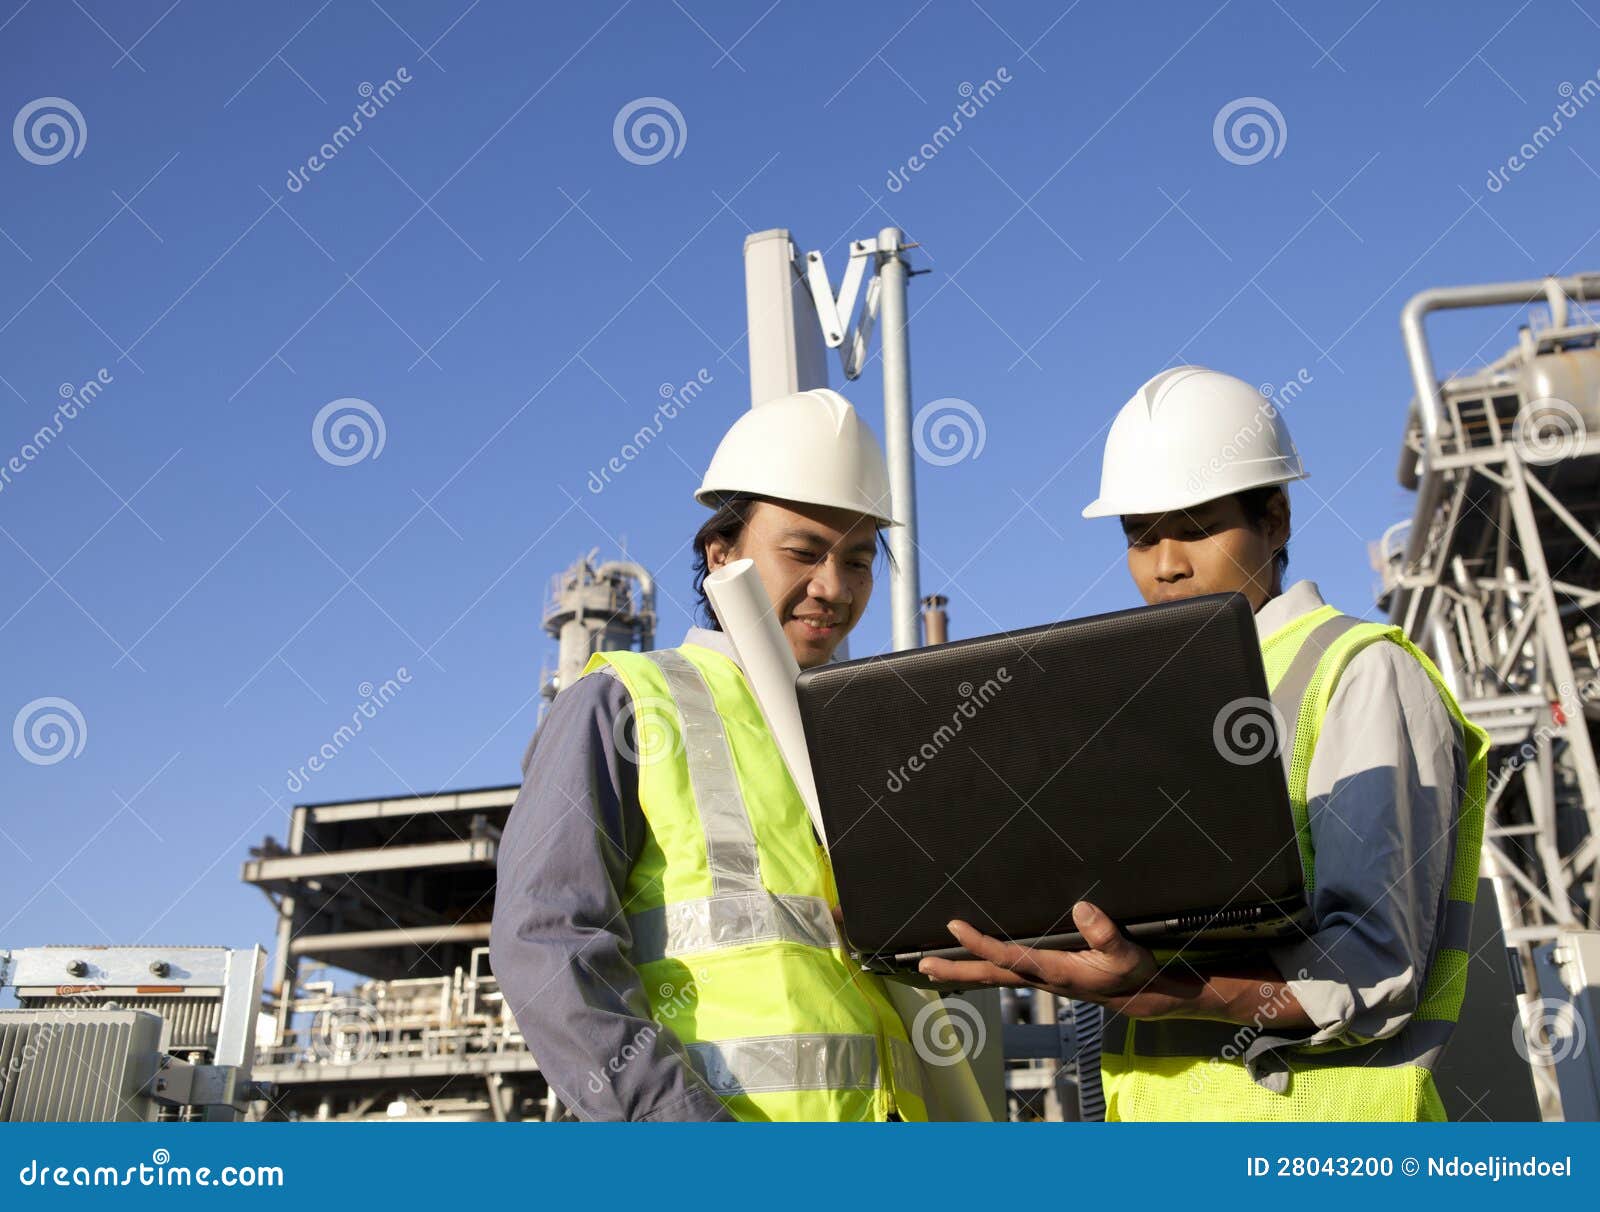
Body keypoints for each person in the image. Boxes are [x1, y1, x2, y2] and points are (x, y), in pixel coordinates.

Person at [918, 366, 1489, 1121]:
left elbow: (1375, 964)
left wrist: (1168, 993)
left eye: (1195, 527)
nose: (1165, 565)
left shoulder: (1359, 673)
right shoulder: (1140, 707)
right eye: (1139, 536)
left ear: (1276, 520)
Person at [490, 388, 934, 1122]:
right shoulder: (627, 702)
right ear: (720, 553)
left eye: (858, 560)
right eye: (802, 552)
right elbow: (547, 944)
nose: (832, 587)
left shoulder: (858, 728)